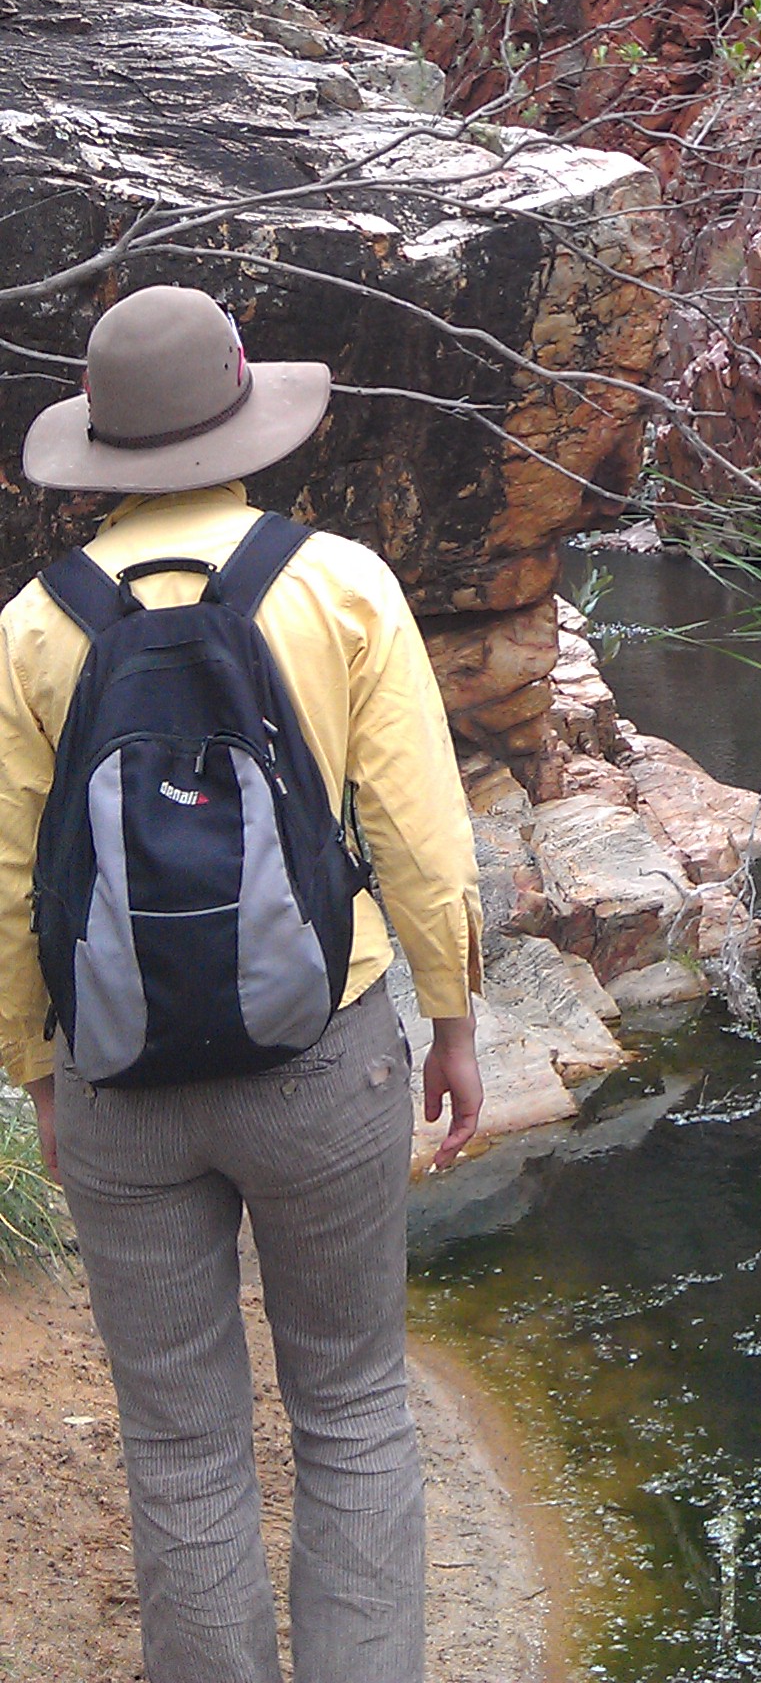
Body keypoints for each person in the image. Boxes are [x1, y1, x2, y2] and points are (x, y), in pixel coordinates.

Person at [0, 283, 485, 1683]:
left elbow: (13, 887)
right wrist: (452, 1021)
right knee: (349, 1410)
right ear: (242, 424)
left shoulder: (33, 627)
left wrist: (39, 1070)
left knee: (179, 1446)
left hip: (120, 1085)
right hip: (323, 1059)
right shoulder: (338, 585)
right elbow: (419, 835)